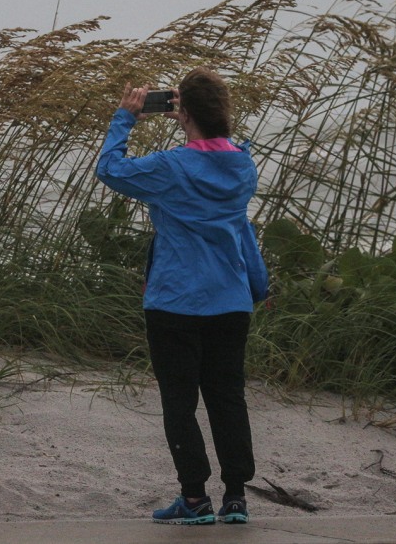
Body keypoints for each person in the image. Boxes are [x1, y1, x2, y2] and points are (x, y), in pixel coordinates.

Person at [94, 68, 268, 525]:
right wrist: (194, 118)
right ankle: (235, 498)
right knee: (228, 398)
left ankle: (194, 499)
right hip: (231, 302)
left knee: (180, 400)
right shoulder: (243, 165)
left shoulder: (170, 167)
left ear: (183, 113)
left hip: (175, 302)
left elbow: (110, 169)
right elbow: (227, 171)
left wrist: (125, 117)